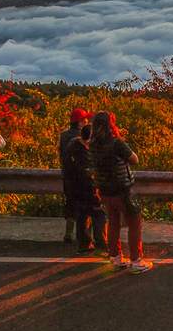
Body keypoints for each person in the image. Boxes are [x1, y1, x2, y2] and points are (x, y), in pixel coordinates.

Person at [90, 111, 151, 273]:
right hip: (122, 189)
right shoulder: (116, 143)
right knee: (134, 224)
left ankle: (116, 258)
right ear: (111, 124)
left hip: (104, 190)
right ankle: (136, 261)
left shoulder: (93, 144)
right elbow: (135, 159)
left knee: (113, 222)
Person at [62, 124, 106, 253]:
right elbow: (89, 171)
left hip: (74, 187)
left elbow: (67, 165)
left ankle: (84, 245)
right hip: (88, 187)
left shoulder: (72, 145)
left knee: (82, 215)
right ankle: (101, 242)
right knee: (99, 214)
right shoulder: (84, 150)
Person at [58, 107, 91, 244]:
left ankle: (68, 233)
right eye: (85, 119)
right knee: (85, 206)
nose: (87, 121)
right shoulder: (84, 137)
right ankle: (84, 236)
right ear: (80, 122)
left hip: (68, 175)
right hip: (82, 177)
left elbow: (61, 153)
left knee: (70, 203)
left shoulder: (64, 135)